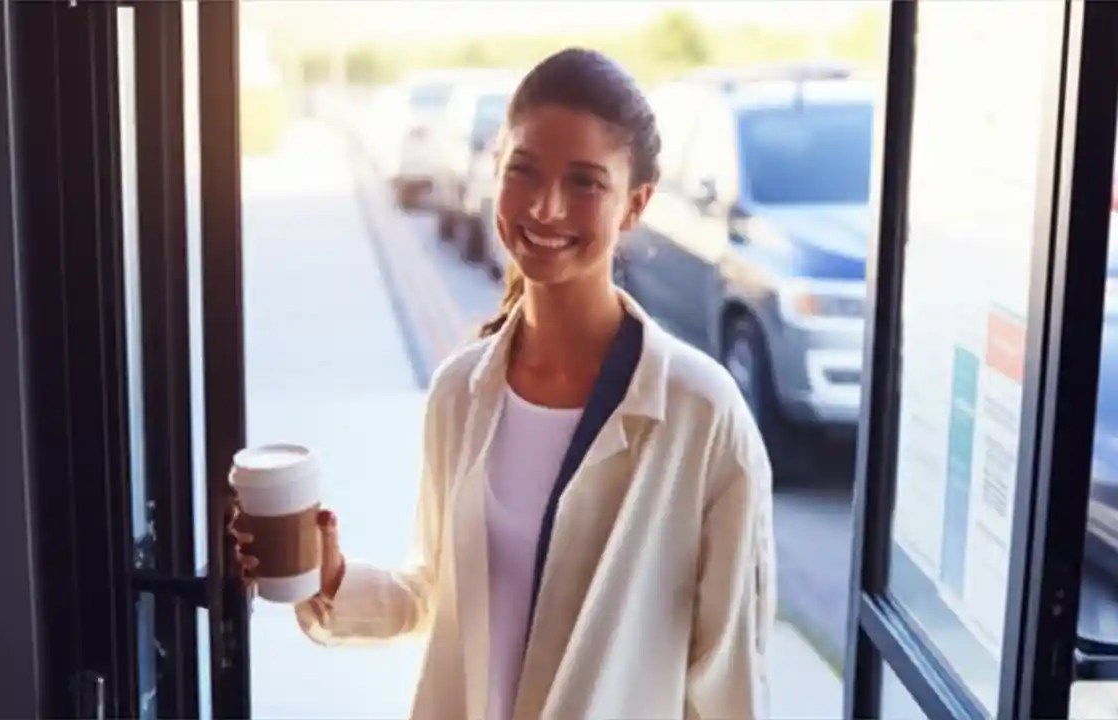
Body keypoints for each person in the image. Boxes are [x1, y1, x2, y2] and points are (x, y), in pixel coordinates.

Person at [231, 47, 775, 720]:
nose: (546, 208)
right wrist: (329, 574)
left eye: (584, 183)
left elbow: (727, 681)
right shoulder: (462, 391)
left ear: (635, 205)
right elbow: (432, 595)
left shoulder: (701, 413)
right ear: (495, 167)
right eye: (524, 171)